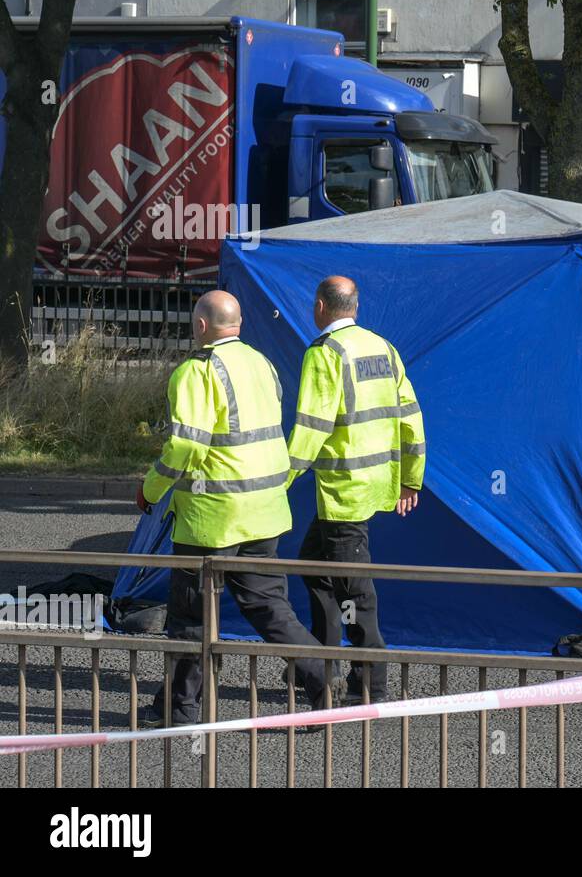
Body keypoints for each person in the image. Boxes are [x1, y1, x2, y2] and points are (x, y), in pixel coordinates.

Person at [137, 290, 330, 727]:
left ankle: (180, 710)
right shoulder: (261, 364)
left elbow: (187, 443)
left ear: (201, 326)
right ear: (238, 324)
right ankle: (322, 680)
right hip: (265, 510)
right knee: (270, 609)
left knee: (191, 617)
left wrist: (151, 489)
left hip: (212, 518)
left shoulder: (195, 371)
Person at [286, 276, 425, 704]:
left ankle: (370, 685)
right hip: (373, 483)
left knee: (355, 591)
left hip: (343, 491)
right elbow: (410, 416)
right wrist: (409, 478)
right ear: (356, 308)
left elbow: (312, 427)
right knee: (315, 567)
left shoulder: (325, 354)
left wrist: (279, 479)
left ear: (319, 308)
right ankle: (321, 666)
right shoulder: (383, 348)